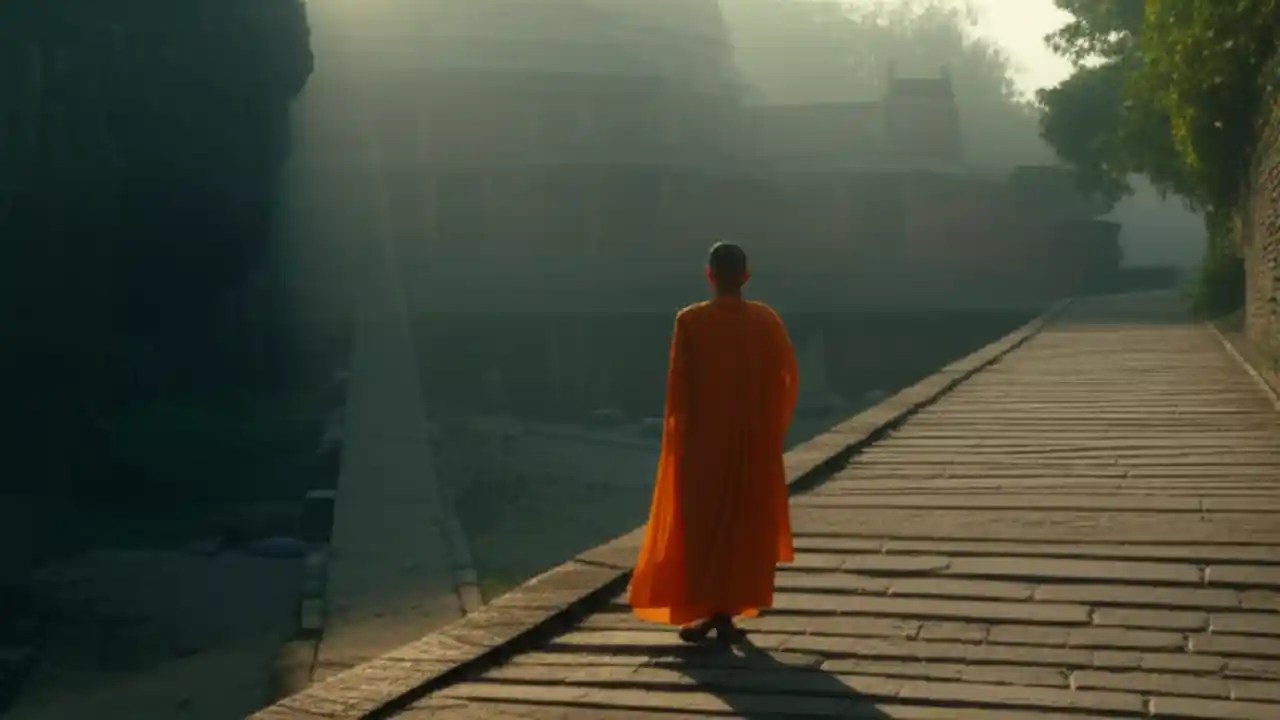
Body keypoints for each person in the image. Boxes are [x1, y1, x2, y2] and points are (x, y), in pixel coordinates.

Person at [628, 241, 799, 644]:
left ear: (709, 275)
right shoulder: (765, 321)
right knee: (744, 528)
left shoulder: (690, 322)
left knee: (702, 530)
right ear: (745, 276)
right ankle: (727, 611)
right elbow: (786, 380)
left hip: (704, 447)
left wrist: (678, 442)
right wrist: (769, 429)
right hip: (751, 445)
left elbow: (679, 393)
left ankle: (708, 609)